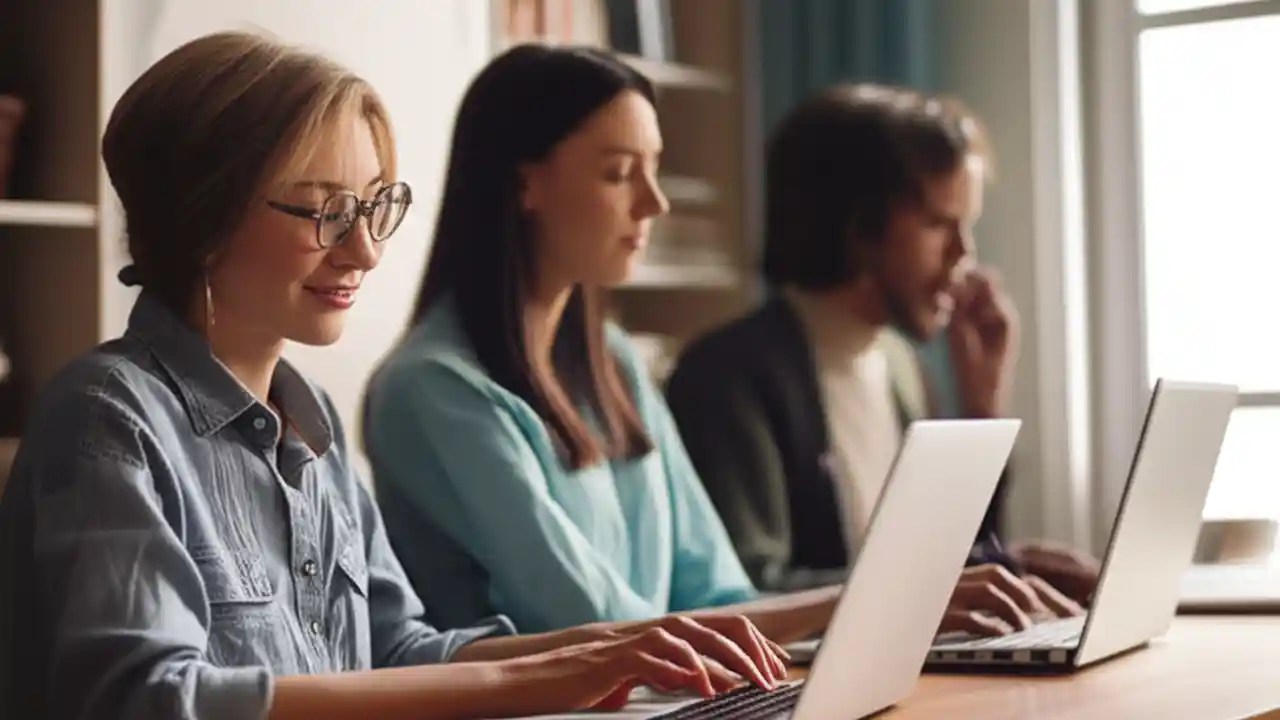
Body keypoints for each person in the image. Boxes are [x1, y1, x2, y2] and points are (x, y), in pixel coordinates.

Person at [0, 32, 791, 720]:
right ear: (203, 215)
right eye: (324, 212)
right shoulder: (109, 419)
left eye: (375, 207)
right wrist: (550, 672)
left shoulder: (313, 428)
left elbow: (399, 645)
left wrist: (620, 648)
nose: (365, 251)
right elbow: (149, 700)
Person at [363, 46, 1049, 644]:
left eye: (654, 168)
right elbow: (592, 622)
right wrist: (899, 598)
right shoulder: (432, 390)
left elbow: (719, 591)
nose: (654, 203)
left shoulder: (615, 365)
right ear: (524, 183)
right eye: (618, 171)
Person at [666, 84, 1100, 618]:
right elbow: (751, 590)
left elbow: (944, 566)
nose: (965, 254)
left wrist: (983, 409)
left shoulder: (900, 365)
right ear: (860, 227)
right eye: (939, 224)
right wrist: (938, 584)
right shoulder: (728, 376)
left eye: (968, 226)